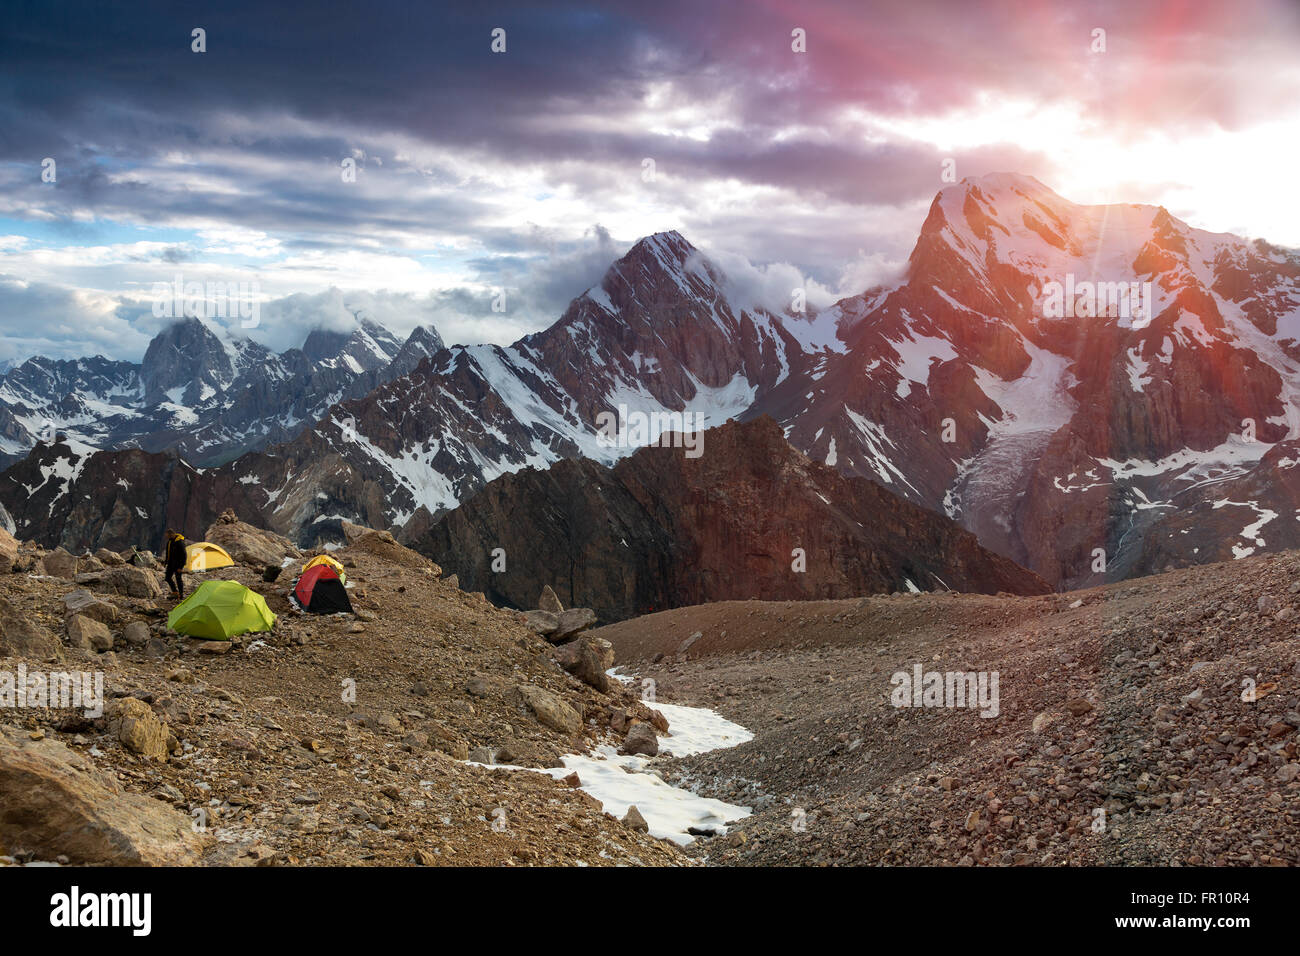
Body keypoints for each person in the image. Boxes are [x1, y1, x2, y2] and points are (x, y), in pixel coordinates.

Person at [163, 529, 188, 599]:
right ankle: (175, 592)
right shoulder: (169, 541)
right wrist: (166, 562)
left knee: (178, 578)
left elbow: (184, 555)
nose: (166, 536)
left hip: (178, 564)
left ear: (171, 534)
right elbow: (168, 553)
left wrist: (181, 566)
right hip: (170, 564)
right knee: (167, 578)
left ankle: (181, 594)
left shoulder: (180, 542)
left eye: (167, 535)